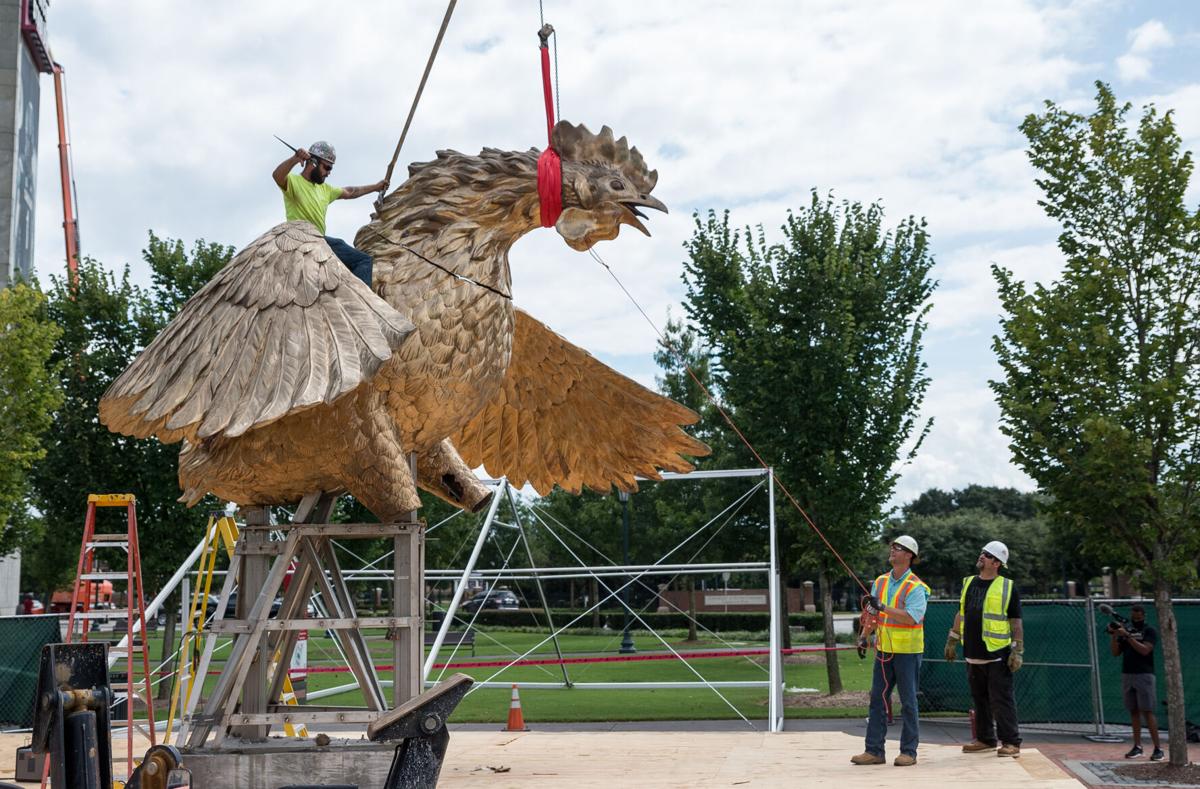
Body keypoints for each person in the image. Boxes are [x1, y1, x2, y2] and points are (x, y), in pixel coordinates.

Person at [851, 535, 930, 767]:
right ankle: (874, 751)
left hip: (908, 652)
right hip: (884, 650)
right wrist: (864, 636)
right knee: (877, 699)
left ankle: (909, 752)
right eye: (892, 547)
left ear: (909, 555)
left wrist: (883, 607)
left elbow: (912, 617)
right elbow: (873, 614)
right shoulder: (881, 581)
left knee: (908, 702)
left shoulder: (917, 587)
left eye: (897, 548)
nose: (892, 551)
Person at [944, 540, 1024, 758]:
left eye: (987, 555)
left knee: (1002, 700)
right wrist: (952, 639)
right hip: (973, 653)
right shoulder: (969, 582)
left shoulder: (1007, 587)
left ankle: (1011, 742)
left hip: (997, 654)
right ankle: (985, 739)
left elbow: (1015, 622)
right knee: (979, 699)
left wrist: (1017, 650)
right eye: (982, 553)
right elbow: (961, 612)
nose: (982, 556)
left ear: (997, 563)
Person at [272, 140, 387, 287]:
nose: (328, 173)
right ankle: (365, 305)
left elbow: (350, 192)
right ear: (312, 162)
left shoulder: (325, 189)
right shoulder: (293, 182)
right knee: (362, 260)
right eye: (327, 167)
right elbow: (277, 175)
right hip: (301, 239)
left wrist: (376, 187)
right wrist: (295, 159)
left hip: (319, 240)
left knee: (360, 259)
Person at [1111, 604, 1162, 761]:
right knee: (1133, 711)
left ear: (1144, 615)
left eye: (1139, 614)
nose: (1136, 617)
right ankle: (1137, 746)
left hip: (1145, 675)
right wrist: (1114, 635)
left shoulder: (1149, 631)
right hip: (1128, 674)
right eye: (1134, 614)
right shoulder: (1126, 629)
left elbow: (1145, 650)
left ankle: (1158, 749)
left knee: (1147, 711)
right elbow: (1115, 653)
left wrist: (1127, 636)